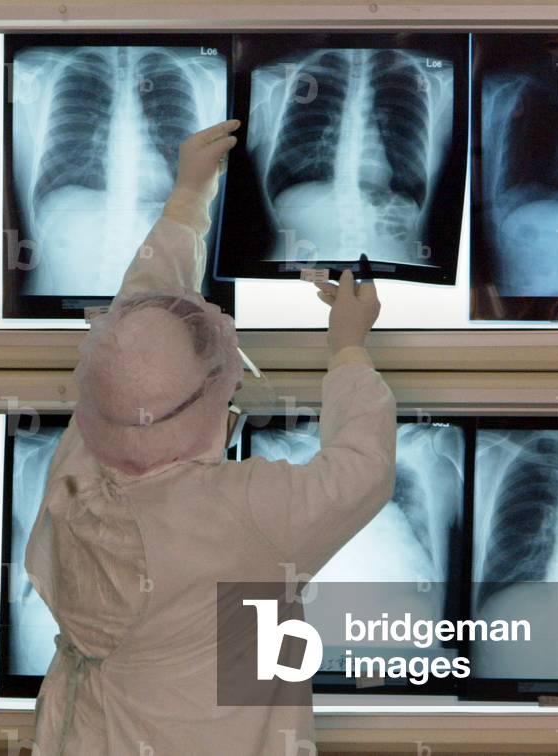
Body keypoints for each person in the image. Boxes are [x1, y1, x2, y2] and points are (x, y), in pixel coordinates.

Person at [25, 119, 397, 755]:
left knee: (247, 628)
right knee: (252, 633)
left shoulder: (80, 468)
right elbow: (361, 469)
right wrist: (349, 348)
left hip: (93, 738)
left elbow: (137, 323)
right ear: (215, 404)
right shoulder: (248, 511)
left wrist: (187, 199)